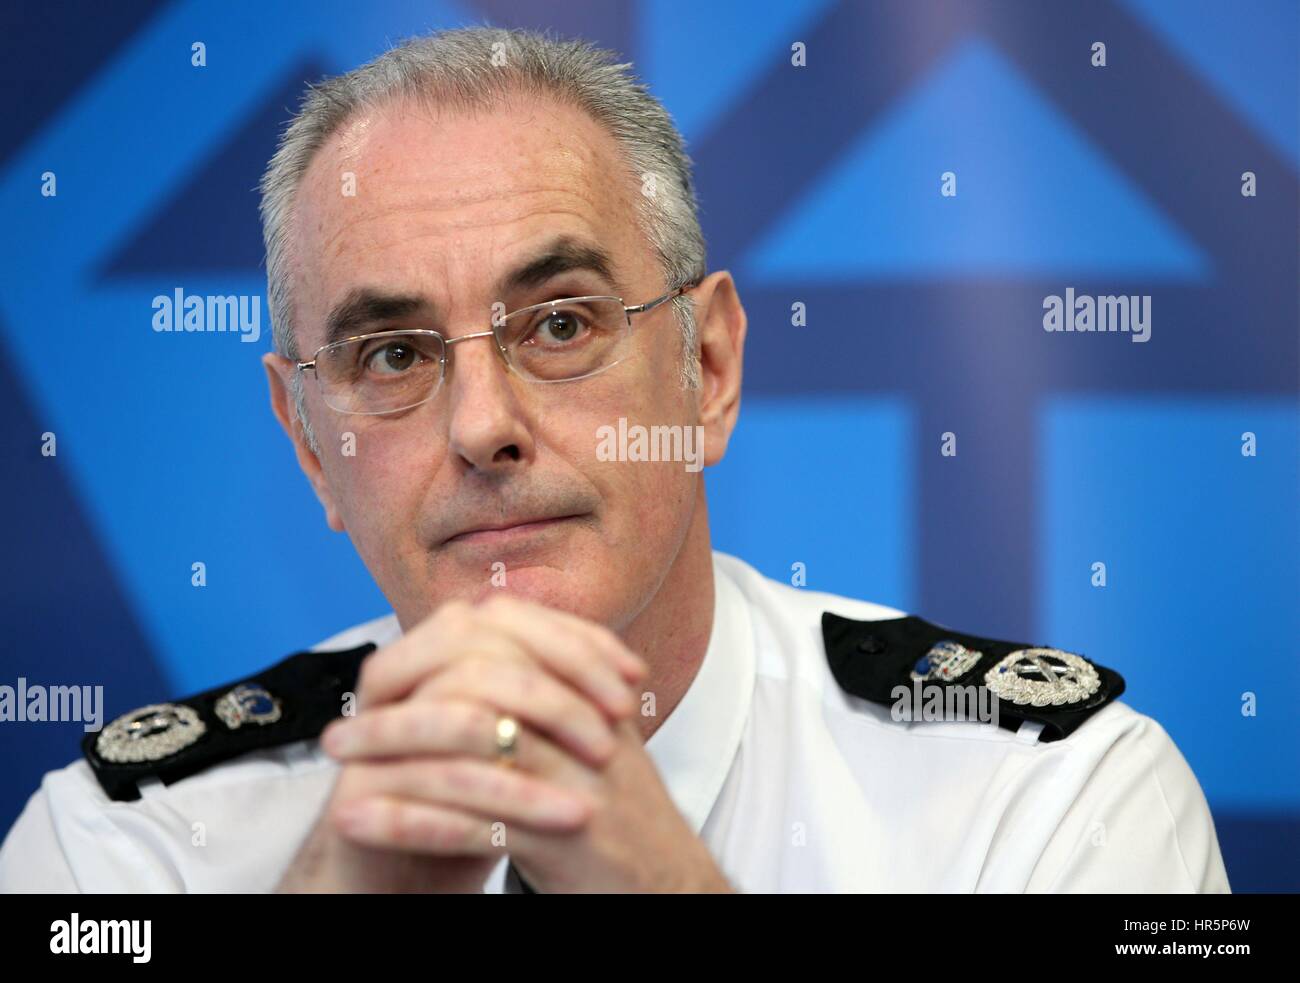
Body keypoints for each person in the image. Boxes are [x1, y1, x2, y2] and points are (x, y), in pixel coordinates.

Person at [0, 26, 1228, 893]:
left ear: (706, 369)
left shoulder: (1052, 799)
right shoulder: (133, 843)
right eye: (389, 354)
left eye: (562, 323)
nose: (482, 423)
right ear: (310, 444)